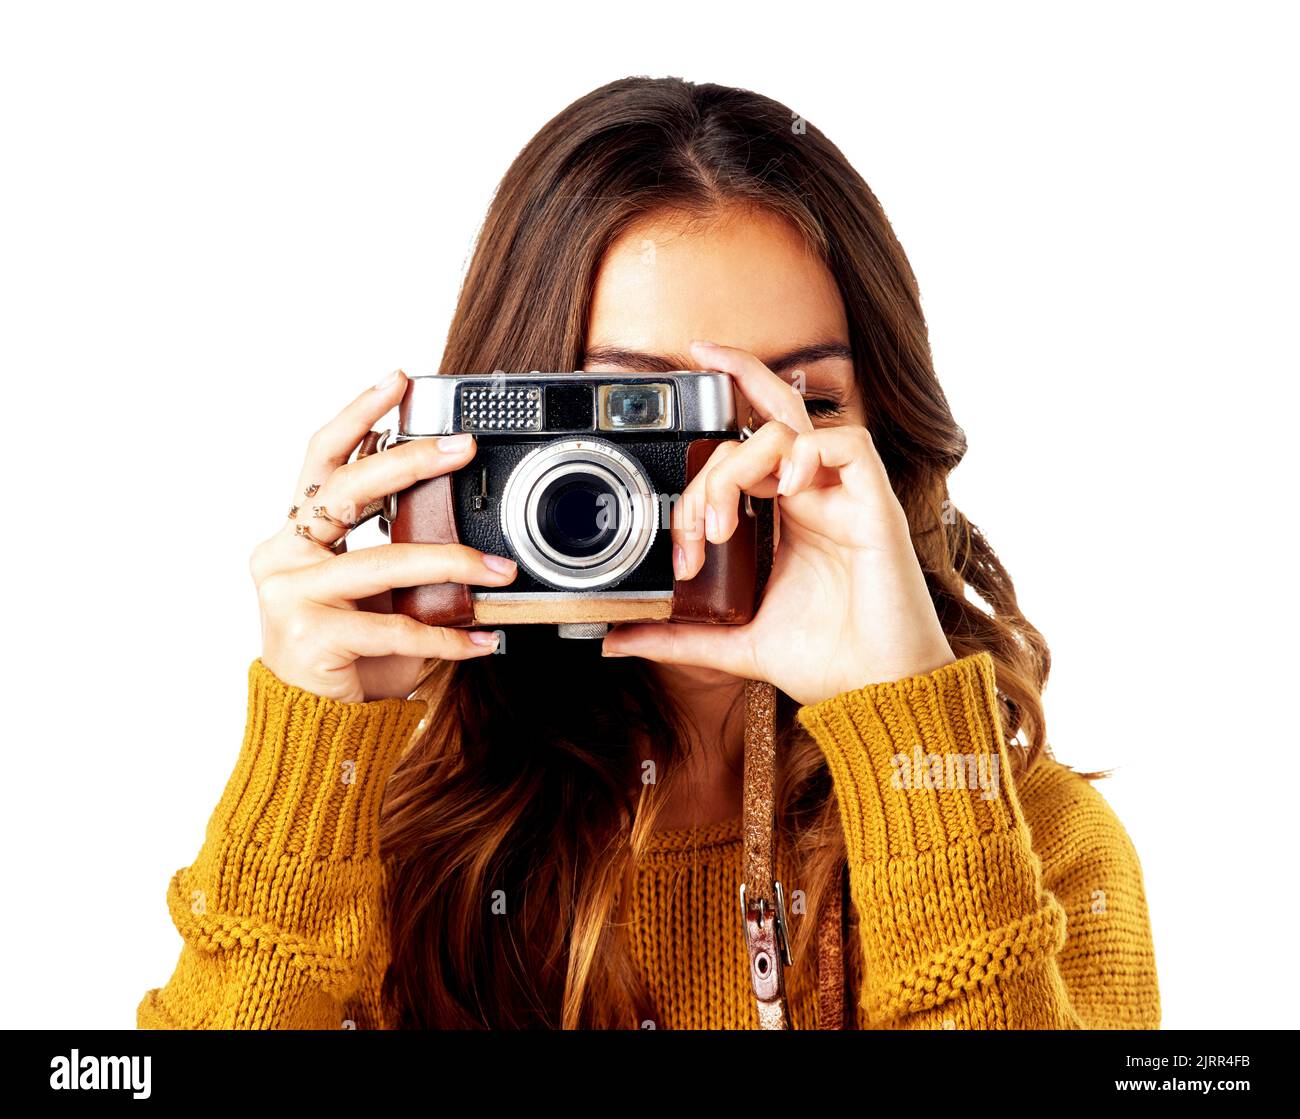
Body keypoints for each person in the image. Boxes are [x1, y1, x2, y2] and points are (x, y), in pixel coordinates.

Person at [138, 76, 1160, 1030]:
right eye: (628, 411)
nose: (732, 477)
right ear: (488, 445)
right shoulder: (375, 831)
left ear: (886, 434)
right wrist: (317, 748)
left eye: (797, 406)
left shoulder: (1034, 847)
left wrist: (915, 759)